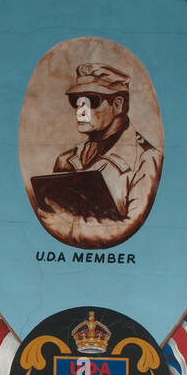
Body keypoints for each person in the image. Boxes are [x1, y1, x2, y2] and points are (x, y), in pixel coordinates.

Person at [35, 63, 161, 248]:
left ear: (117, 105)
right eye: (76, 102)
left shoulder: (146, 159)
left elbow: (133, 227)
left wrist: (71, 227)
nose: (80, 111)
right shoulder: (66, 159)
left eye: (91, 101)